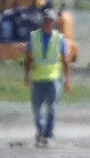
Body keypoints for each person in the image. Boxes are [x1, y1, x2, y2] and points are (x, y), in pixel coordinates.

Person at [23, 8, 72, 145]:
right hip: (38, 78)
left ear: (53, 22)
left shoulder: (59, 39)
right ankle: (40, 130)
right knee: (36, 108)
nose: (47, 23)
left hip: (53, 79)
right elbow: (28, 58)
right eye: (45, 20)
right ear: (42, 21)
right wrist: (26, 75)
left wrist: (68, 80)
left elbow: (65, 61)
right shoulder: (34, 37)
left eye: (50, 21)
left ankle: (48, 134)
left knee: (52, 108)